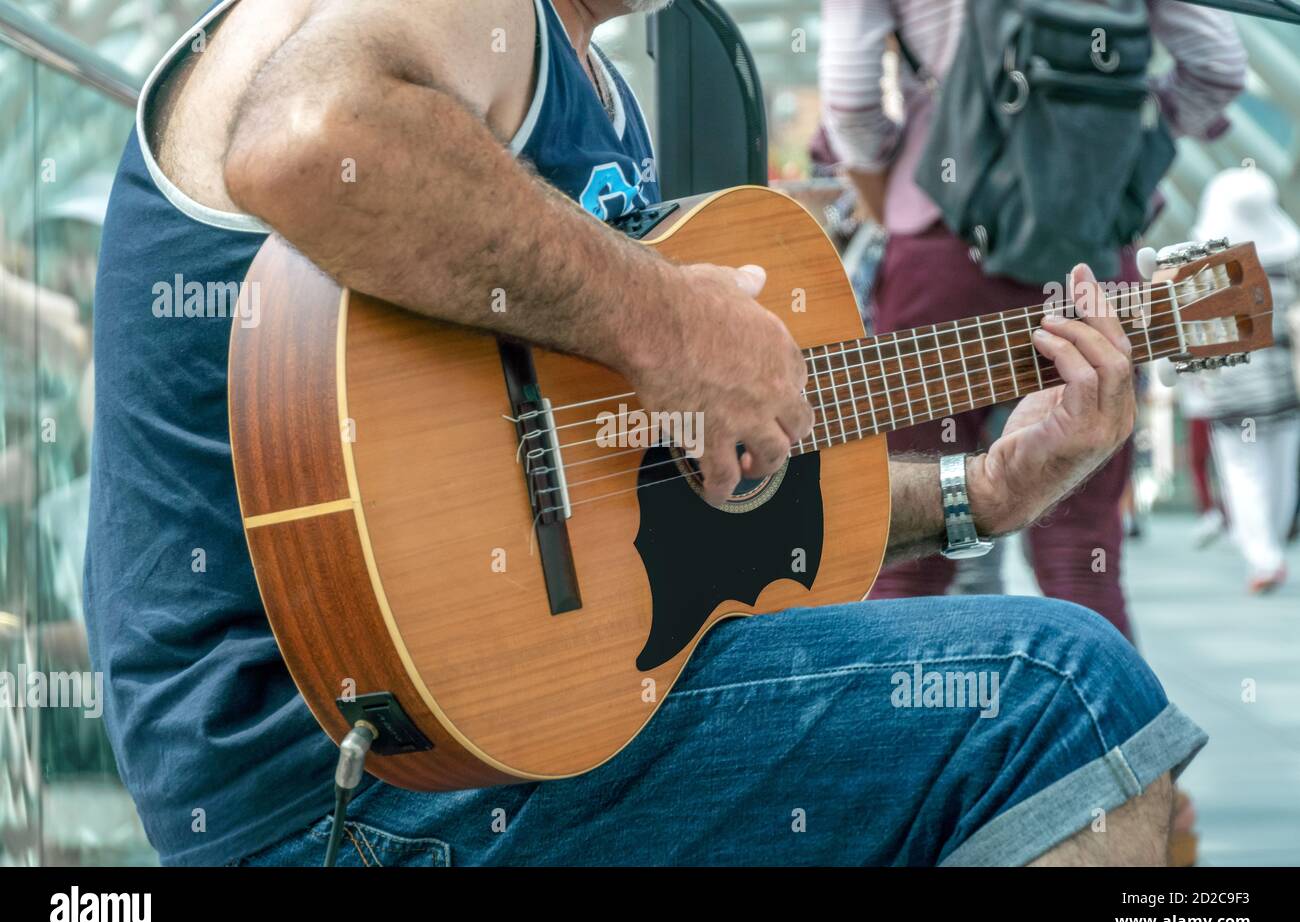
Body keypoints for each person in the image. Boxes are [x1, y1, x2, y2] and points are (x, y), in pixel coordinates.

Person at [84, 0, 1204, 867]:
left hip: (510, 737)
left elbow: (690, 508)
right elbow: (308, 135)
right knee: (1063, 696)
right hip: (362, 787)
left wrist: (988, 487)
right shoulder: (470, 22)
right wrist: (670, 320)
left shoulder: (598, 90)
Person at [818, 0, 1247, 640]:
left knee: (907, 539)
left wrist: (899, 188)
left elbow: (850, 100)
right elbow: (1217, 66)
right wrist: (1111, 153)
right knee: (1084, 553)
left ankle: (910, 730)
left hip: (940, 247)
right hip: (1090, 247)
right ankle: (1104, 734)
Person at [1188, 167, 1300, 593]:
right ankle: (1272, 546)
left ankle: (1263, 555)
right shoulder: (1288, 256)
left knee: (1243, 471)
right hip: (1285, 384)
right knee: (1281, 469)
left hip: (1233, 386)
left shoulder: (1213, 263)